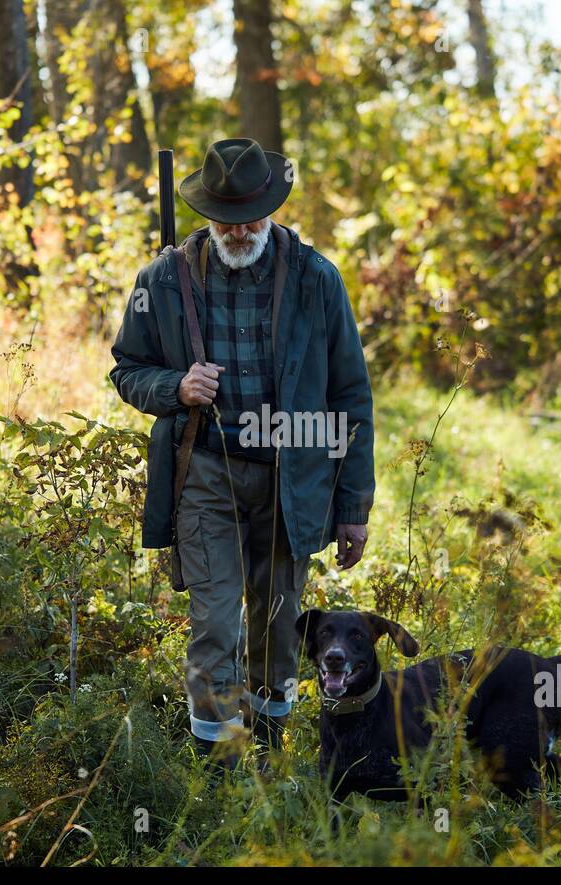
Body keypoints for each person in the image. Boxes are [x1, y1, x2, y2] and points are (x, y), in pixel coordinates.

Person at [109, 137, 375, 770]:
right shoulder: (162, 280)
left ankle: (272, 753)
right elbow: (126, 368)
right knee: (216, 629)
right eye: (226, 217)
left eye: (250, 215)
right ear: (207, 213)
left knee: (278, 630)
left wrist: (353, 504)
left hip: (294, 479)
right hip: (206, 475)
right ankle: (219, 772)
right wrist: (174, 387)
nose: (239, 229)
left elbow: (350, 394)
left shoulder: (316, 278)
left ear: (272, 207)